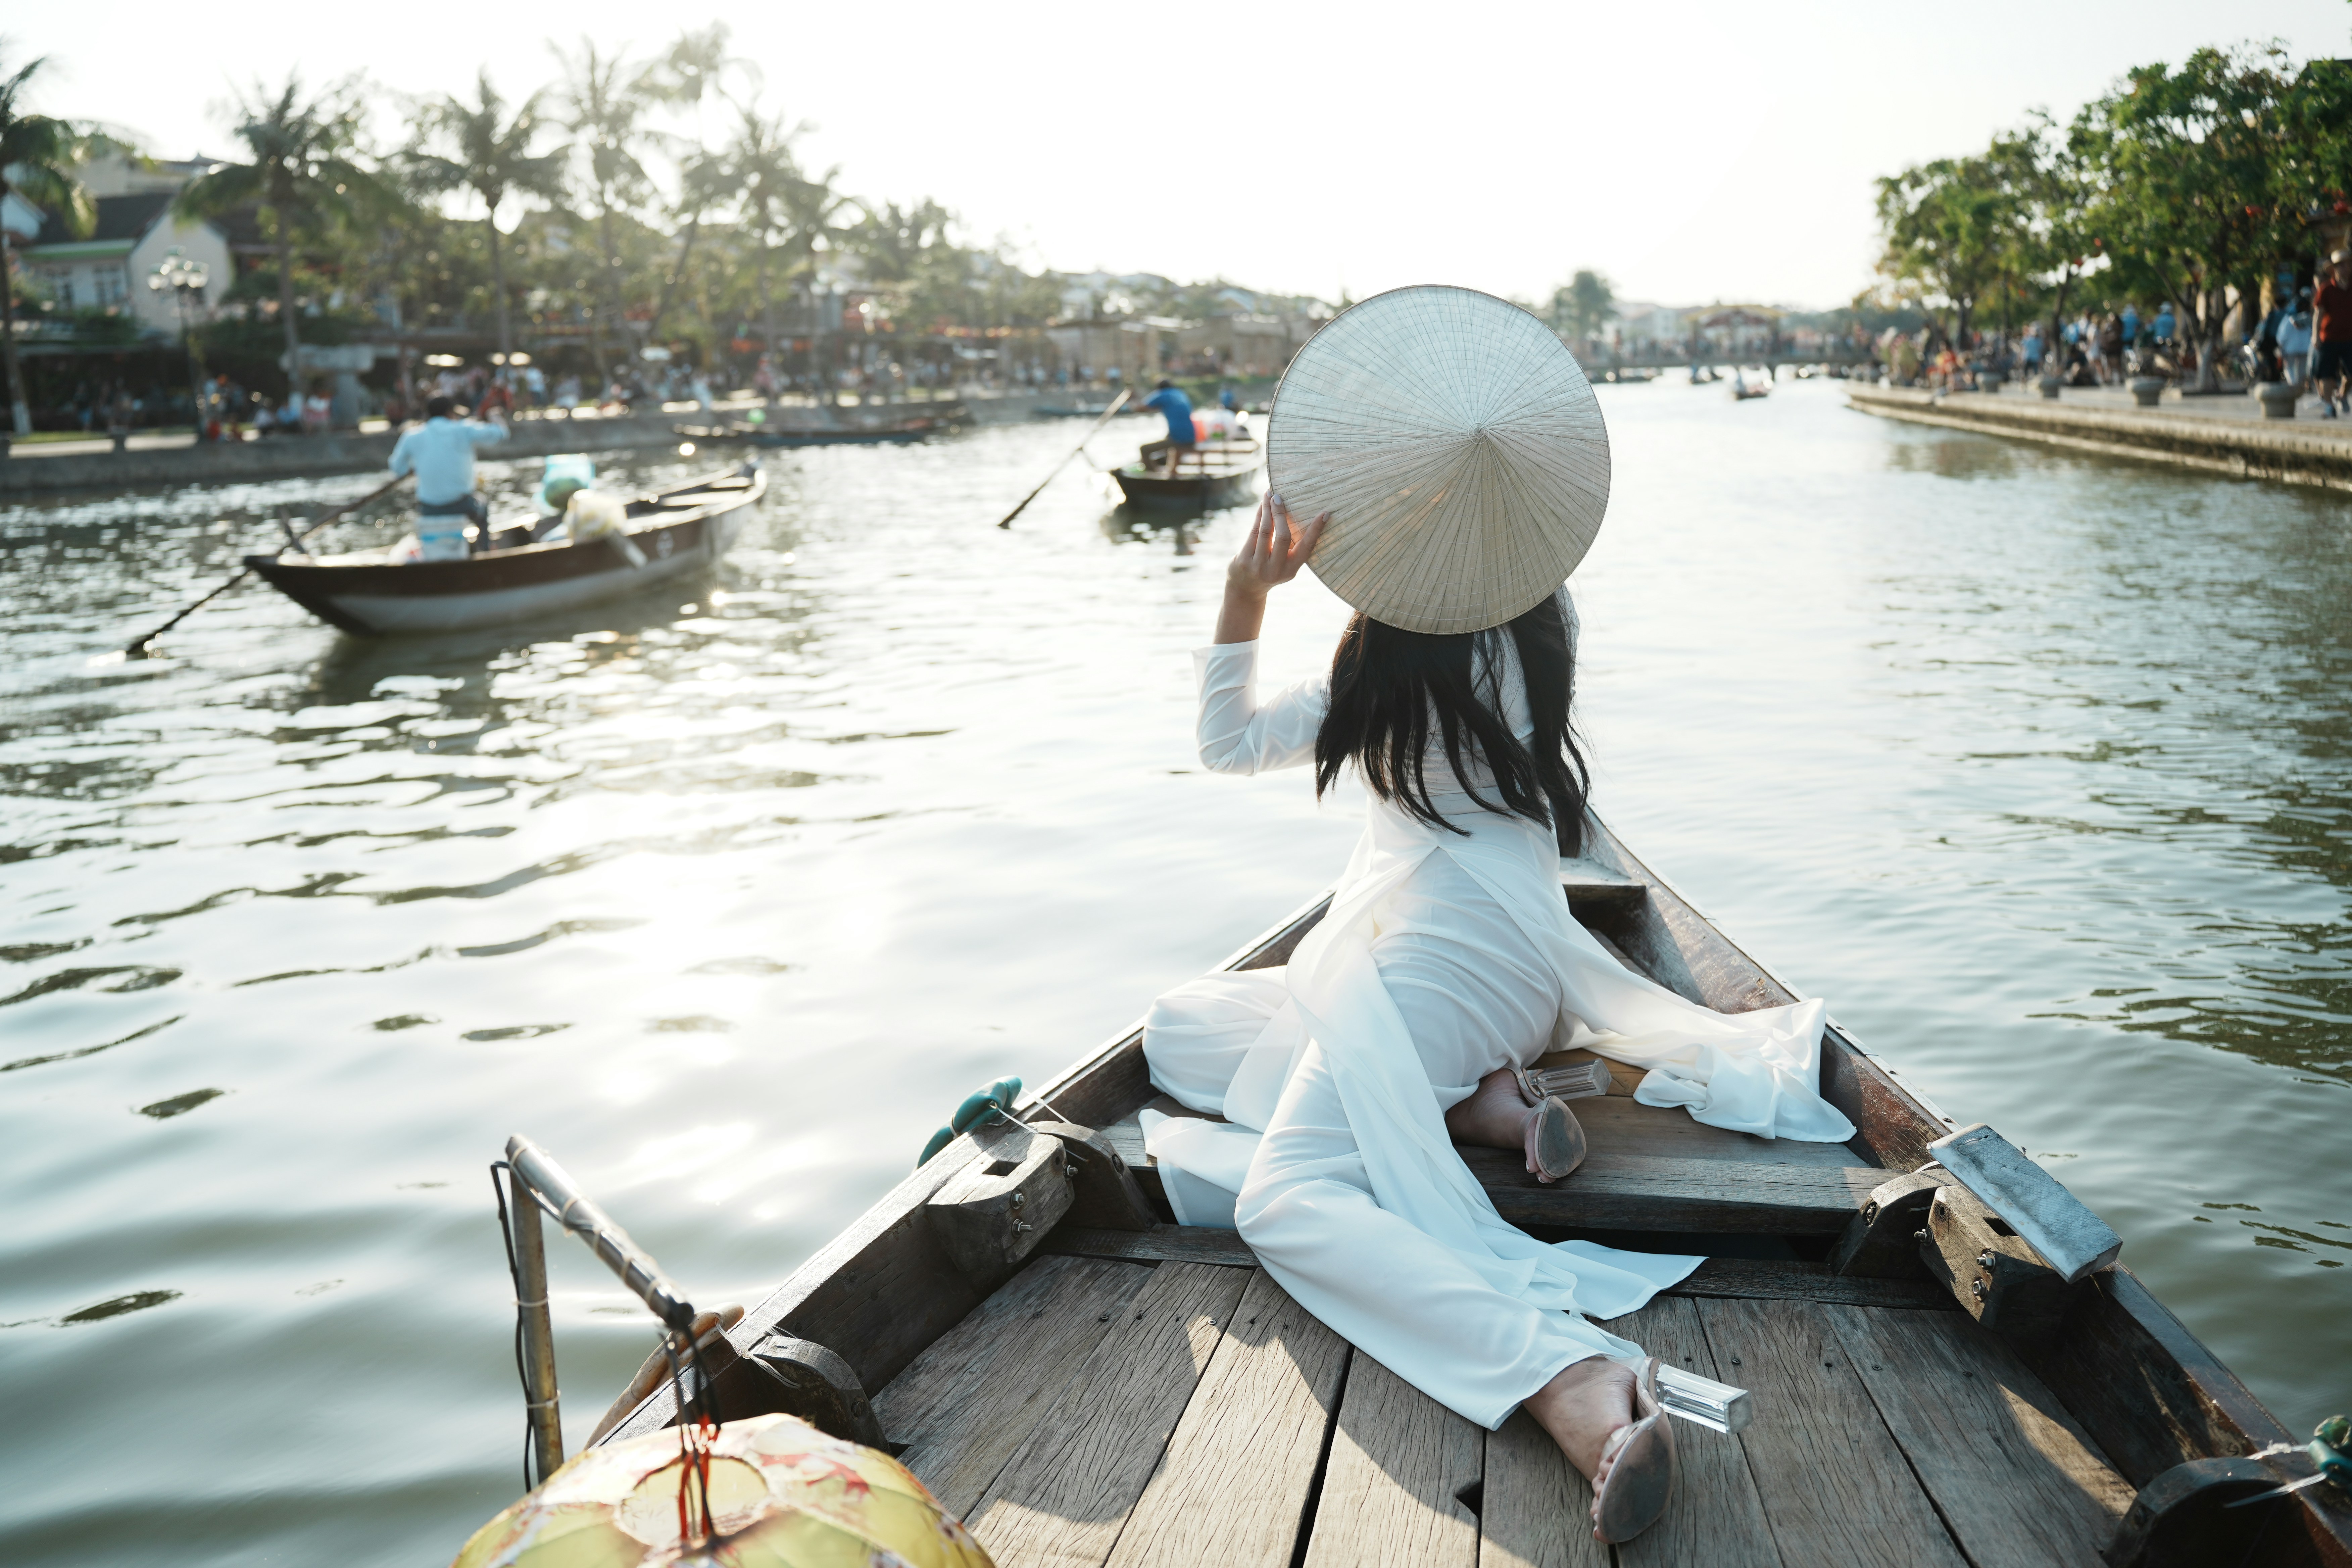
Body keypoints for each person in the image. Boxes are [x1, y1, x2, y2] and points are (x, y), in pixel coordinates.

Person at [387, 394, 510, 549]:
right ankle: (484, 552)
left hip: (428, 507)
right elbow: (501, 434)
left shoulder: (412, 436)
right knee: (482, 506)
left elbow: (397, 468)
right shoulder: (463, 429)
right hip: (461, 504)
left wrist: (417, 468)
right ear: (450, 413)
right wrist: (496, 417)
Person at [2313, 251, 2352, 418]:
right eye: (2342, 265)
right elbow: (2319, 314)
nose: (2346, 268)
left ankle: (2342, 394)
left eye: (2348, 264)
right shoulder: (2326, 289)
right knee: (2327, 375)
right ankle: (2329, 407)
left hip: (2350, 338)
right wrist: (2315, 336)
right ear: (2335, 269)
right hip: (2328, 339)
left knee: (2350, 374)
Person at [1137, 377, 1196, 476]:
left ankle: (1153, 476)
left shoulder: (1162, 394)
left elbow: (1141, 408)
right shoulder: (1180, 394)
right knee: (1168, 439)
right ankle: (1171, 470)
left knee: (1144, 449)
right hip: (1192, 437)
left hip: (1179, 439)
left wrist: (1133, 397)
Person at [2282, 292, 2314, 388]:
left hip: (2291, 349)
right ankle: (2300, 387)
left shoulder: (2288, 319)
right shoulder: (2310, 319)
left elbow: (2283, 335)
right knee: (2302, 370)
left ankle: (2293, 386)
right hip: (2305, 349)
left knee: (2289, 368)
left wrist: (2282, 347)